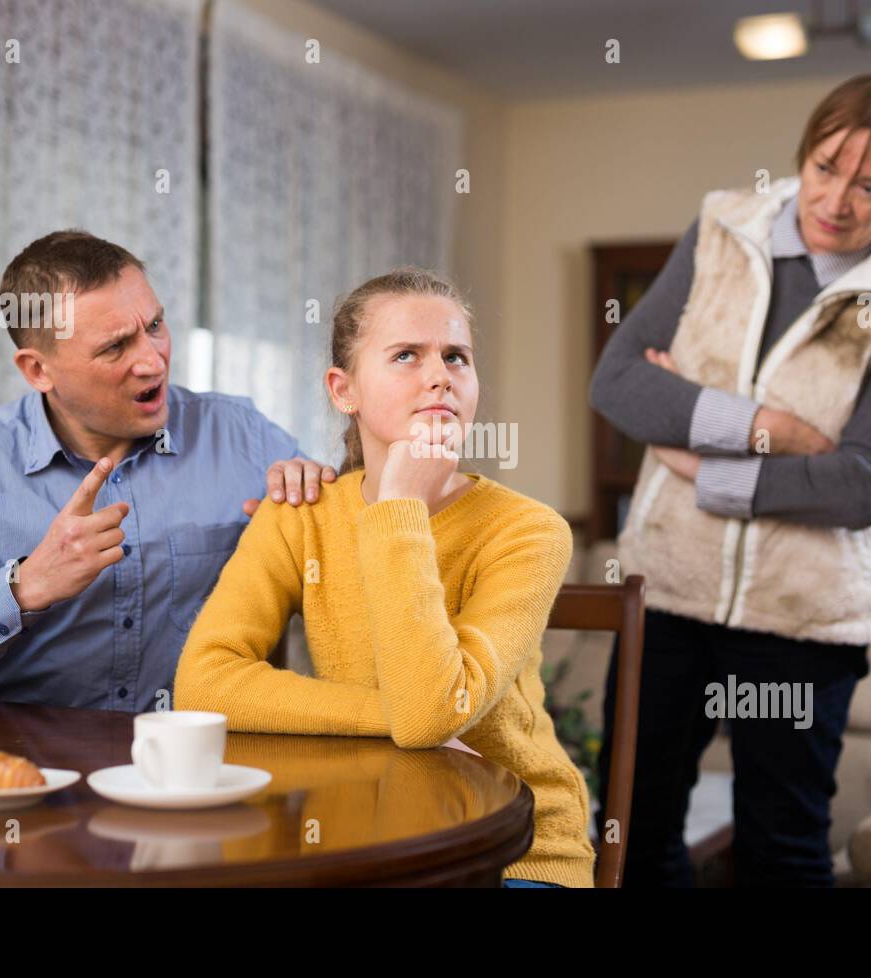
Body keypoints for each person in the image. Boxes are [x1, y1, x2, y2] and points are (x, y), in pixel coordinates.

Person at [588, 71, 871, 886]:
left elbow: (870, 480)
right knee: (630, 832)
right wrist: (773, 431)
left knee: (780, 849)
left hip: (803, 616)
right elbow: (618, 384)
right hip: (668, 594)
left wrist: (702, 463)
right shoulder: (724, 226)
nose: (835, 201)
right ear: (805, 153)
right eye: (826, 168)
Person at [175, 267, 597, 888]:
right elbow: (203, 682)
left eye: (457, 357)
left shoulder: (529, 531)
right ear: (344, 390)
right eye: (407, 355)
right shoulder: (300, 516)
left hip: (515, 854)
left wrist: (398, 505)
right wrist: (383, 713)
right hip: (361, 847)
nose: (440, 377)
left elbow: (429, 715)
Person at [0, 230, 332, 711]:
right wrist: (24, 587)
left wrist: (312, 509)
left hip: (206, 770)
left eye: (156, 325)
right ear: (39, 371)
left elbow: (342, 564)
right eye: (115, 347)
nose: (153, 361)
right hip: (38, 773)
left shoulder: (243, 435)